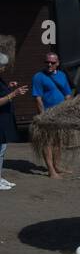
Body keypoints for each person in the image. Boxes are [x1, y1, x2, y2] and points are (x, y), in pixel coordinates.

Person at [32, 53, 73, 178]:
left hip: (60, 114)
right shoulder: (38, 77)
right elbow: (37, 98)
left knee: (58, 141)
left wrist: (68, 109)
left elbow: (67, 95)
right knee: (47, 142)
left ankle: (56, 165)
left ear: (58, 63)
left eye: (52, 62)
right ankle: (51, 170)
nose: (49, 64)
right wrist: (43, 116)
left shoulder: (62, 75)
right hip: (47, 115)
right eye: (47, 62)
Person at [0, 58, 27, 191]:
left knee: (2, 149)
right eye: (3, 66)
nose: (4, 68)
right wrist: (13, 94)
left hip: (3, 120)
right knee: (0, 150)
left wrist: (9, 86)